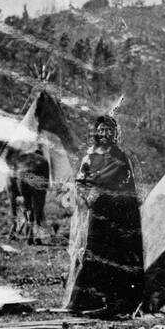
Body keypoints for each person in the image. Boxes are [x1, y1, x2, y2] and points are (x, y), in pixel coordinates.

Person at [64, 115, 143, 315]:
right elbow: (81, 182)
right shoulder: (89, 156)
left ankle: (115, 303)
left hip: (119, 214)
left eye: (109, 130)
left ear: (115, 133)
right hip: (97, 212)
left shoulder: (121, 156)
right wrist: (87, 196)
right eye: (102, 130)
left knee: (115, 254)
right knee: (94, 252)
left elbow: (126, 184)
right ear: (96, 132)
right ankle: (86, 302)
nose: (105, 133)